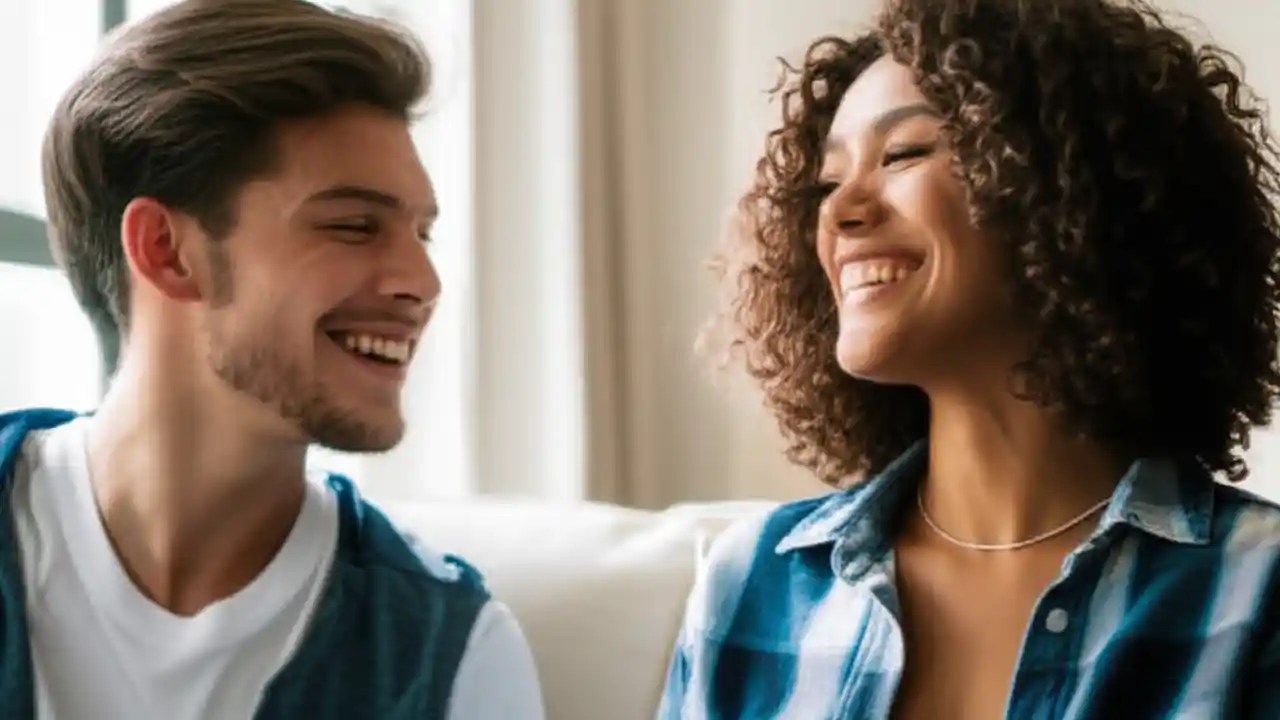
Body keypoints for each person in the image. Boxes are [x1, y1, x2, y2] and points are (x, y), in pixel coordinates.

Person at [659, 0, 1280, 718]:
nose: (838, 212)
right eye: (828, 183)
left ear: (1067, 190)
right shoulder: (750, 590)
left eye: (903, 153)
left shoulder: (1257, 592)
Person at [0, 1, 544, 718]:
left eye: (422, 235)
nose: (422, 282)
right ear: (167, 251)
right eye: (355, 226)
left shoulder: (451, 656)